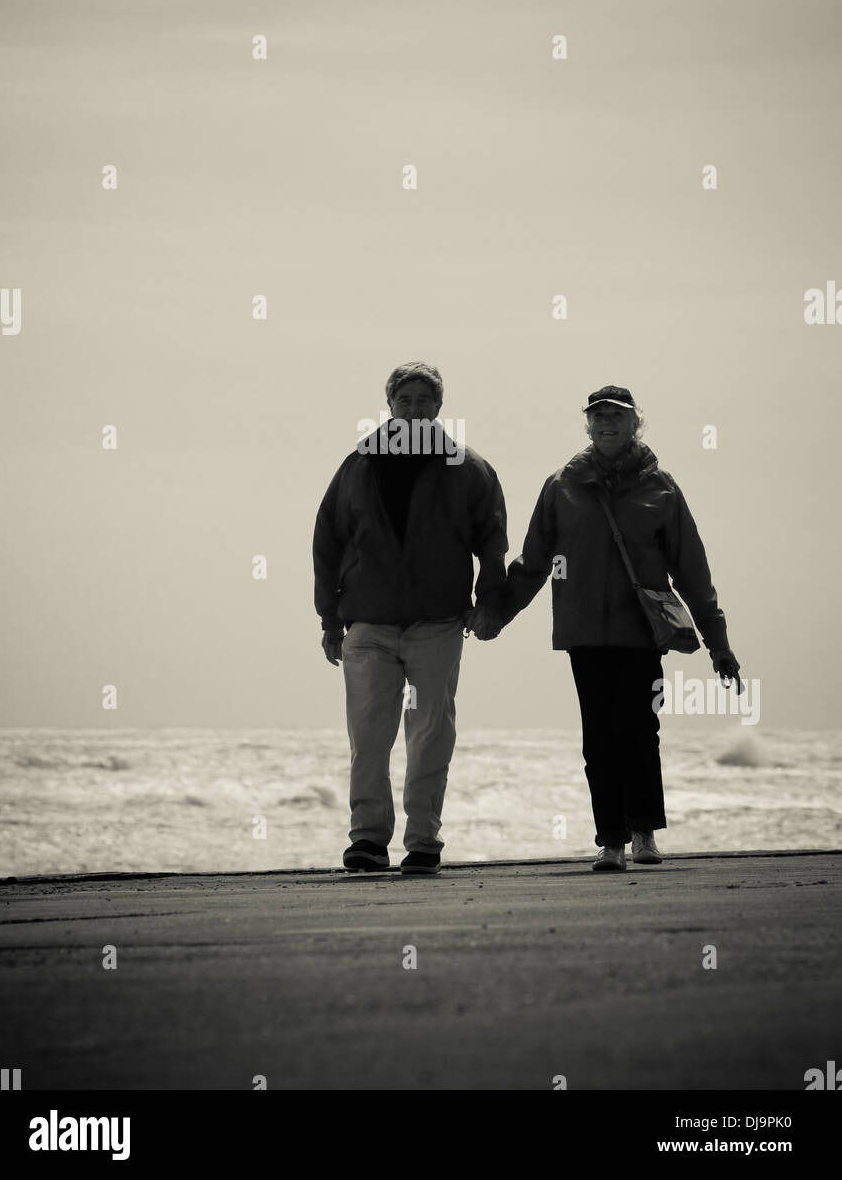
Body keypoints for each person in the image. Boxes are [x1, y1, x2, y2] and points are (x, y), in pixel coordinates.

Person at [470, 385, 742, 872]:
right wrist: (497, 612)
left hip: (641, 634)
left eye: (617, 416)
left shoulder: (662, 488)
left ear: (636, 424)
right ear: (588, 425)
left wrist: (717, 642)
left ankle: (644, 836)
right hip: (584, 634)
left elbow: (692, 569)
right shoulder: (562, 486)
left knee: (640, 730)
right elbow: (534, 563)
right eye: (598, 417)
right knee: (598, 736)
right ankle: (610, 841)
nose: (607, 424)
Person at [313, 362, 508, 875]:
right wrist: (329, 620)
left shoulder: (467, 467)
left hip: (437, 624)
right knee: (369, 738)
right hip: (369, 626)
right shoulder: (357, 465)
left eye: (425, 399)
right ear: (390, 405)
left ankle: (423, 840)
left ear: (439, 407)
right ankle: (368, 841)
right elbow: (327, 543)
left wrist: (488, 603)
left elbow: (492, 541)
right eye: (406, 399)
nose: (415, 407)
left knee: (430, 734)